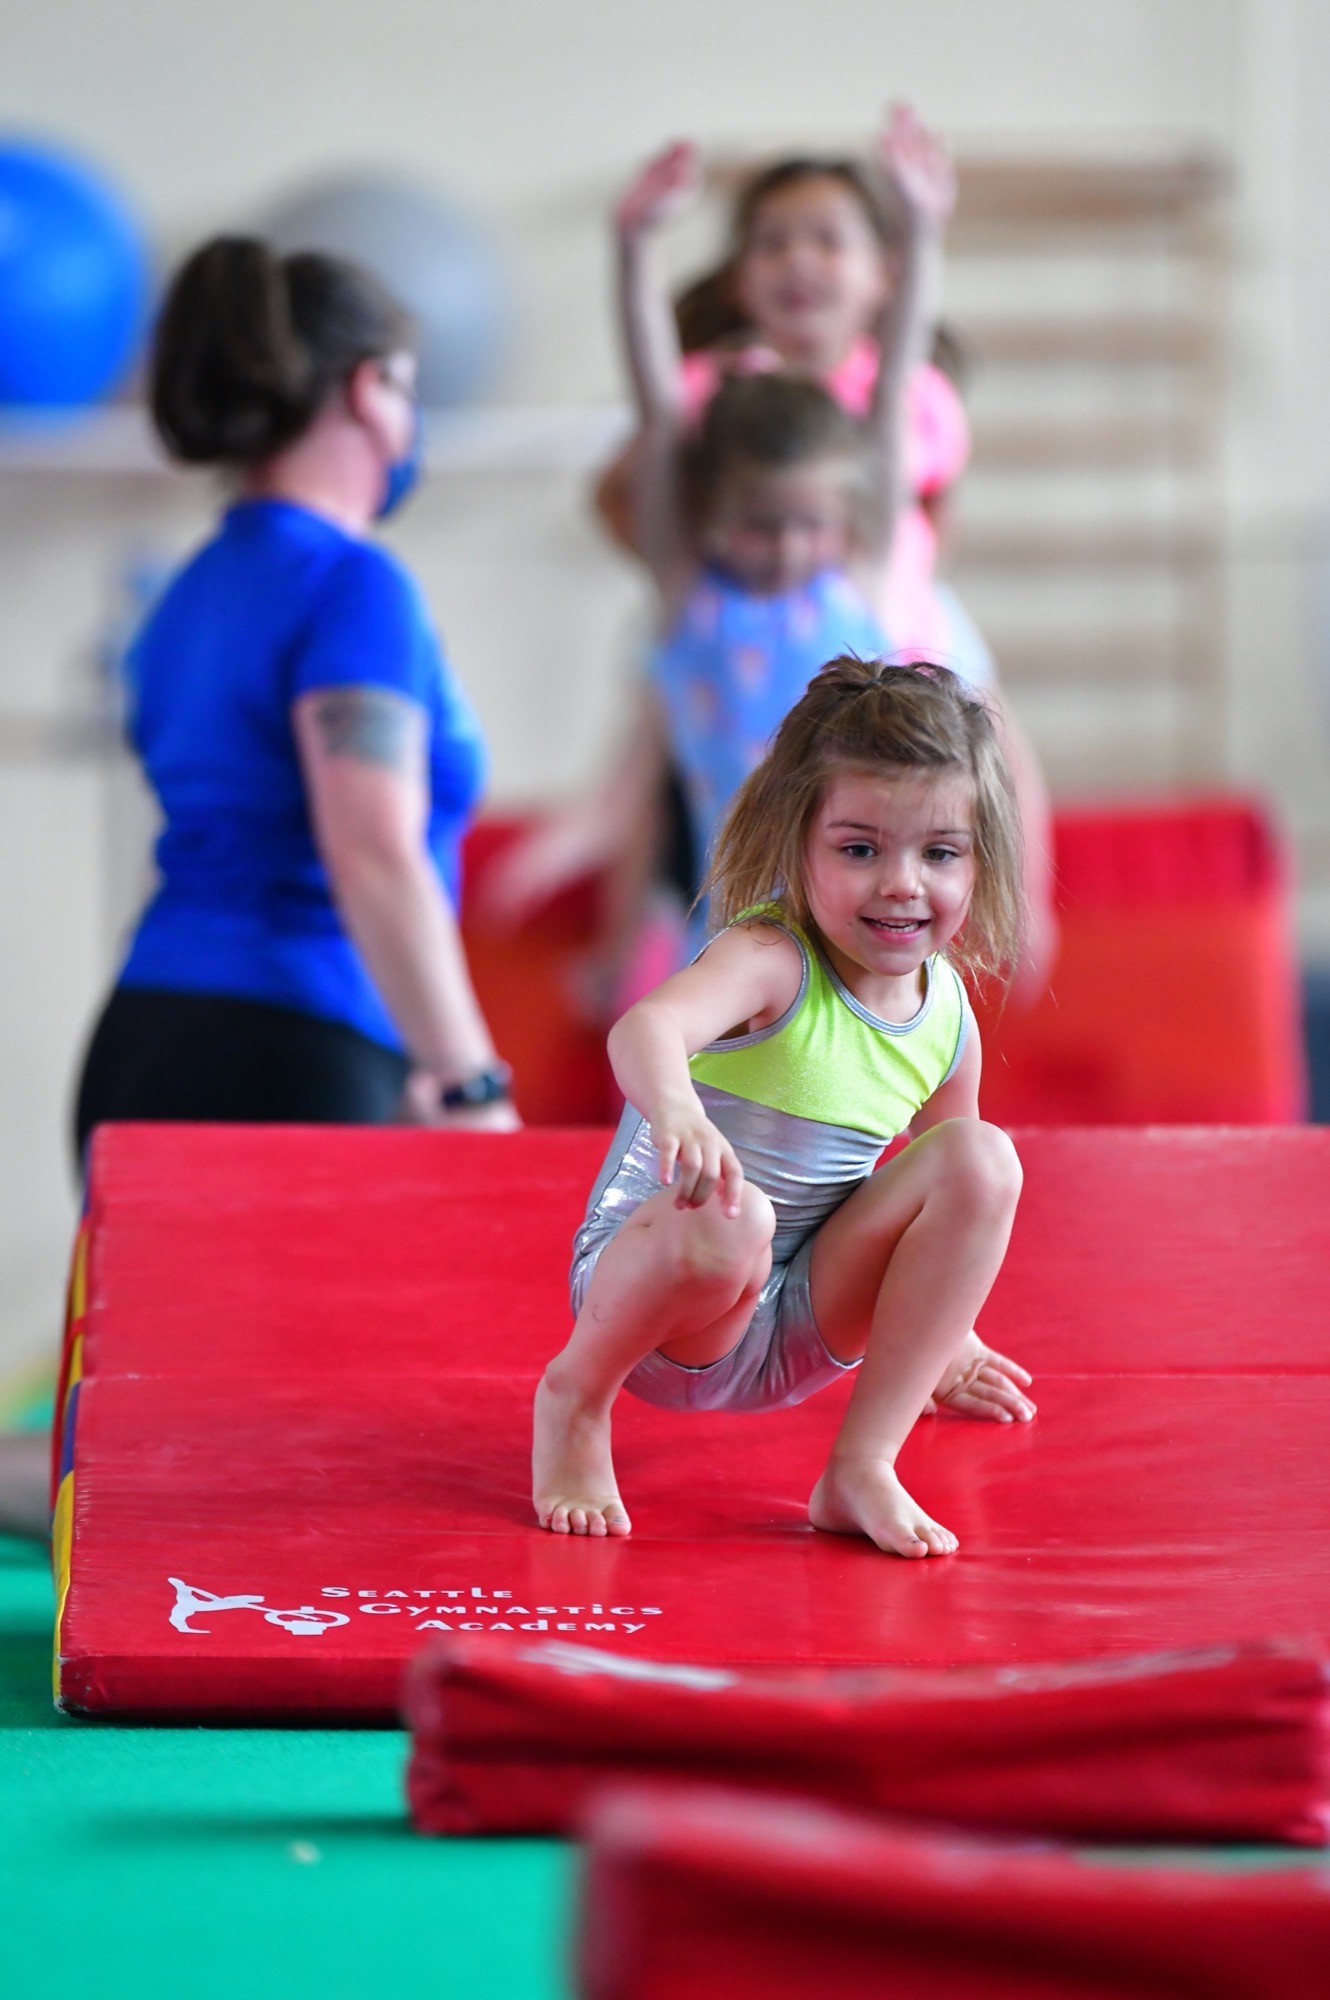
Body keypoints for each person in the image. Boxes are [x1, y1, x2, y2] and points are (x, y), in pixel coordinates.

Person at [533, 657, 1033, 1560]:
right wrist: (679, 1113)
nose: (902, 883)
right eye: (859, 848)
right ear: (796, 838)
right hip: (664, 1305)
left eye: (939, 853)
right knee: (738, 1217)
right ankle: (576, 1396)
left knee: (983, 1155)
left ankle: (859, 1467)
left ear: (979, 859)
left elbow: (950, 1195)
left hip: (798, 1324)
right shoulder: (772, 955)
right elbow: (642, 1031)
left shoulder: (946, 1012)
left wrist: (946, 1338)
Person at [73, 237, 516, 1163]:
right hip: (291, 1048)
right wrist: (471, 1081)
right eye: (406, 385)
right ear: (367, 389)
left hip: (140, 1045)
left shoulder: (187, 589)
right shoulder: (355, 584)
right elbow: (370, 850)